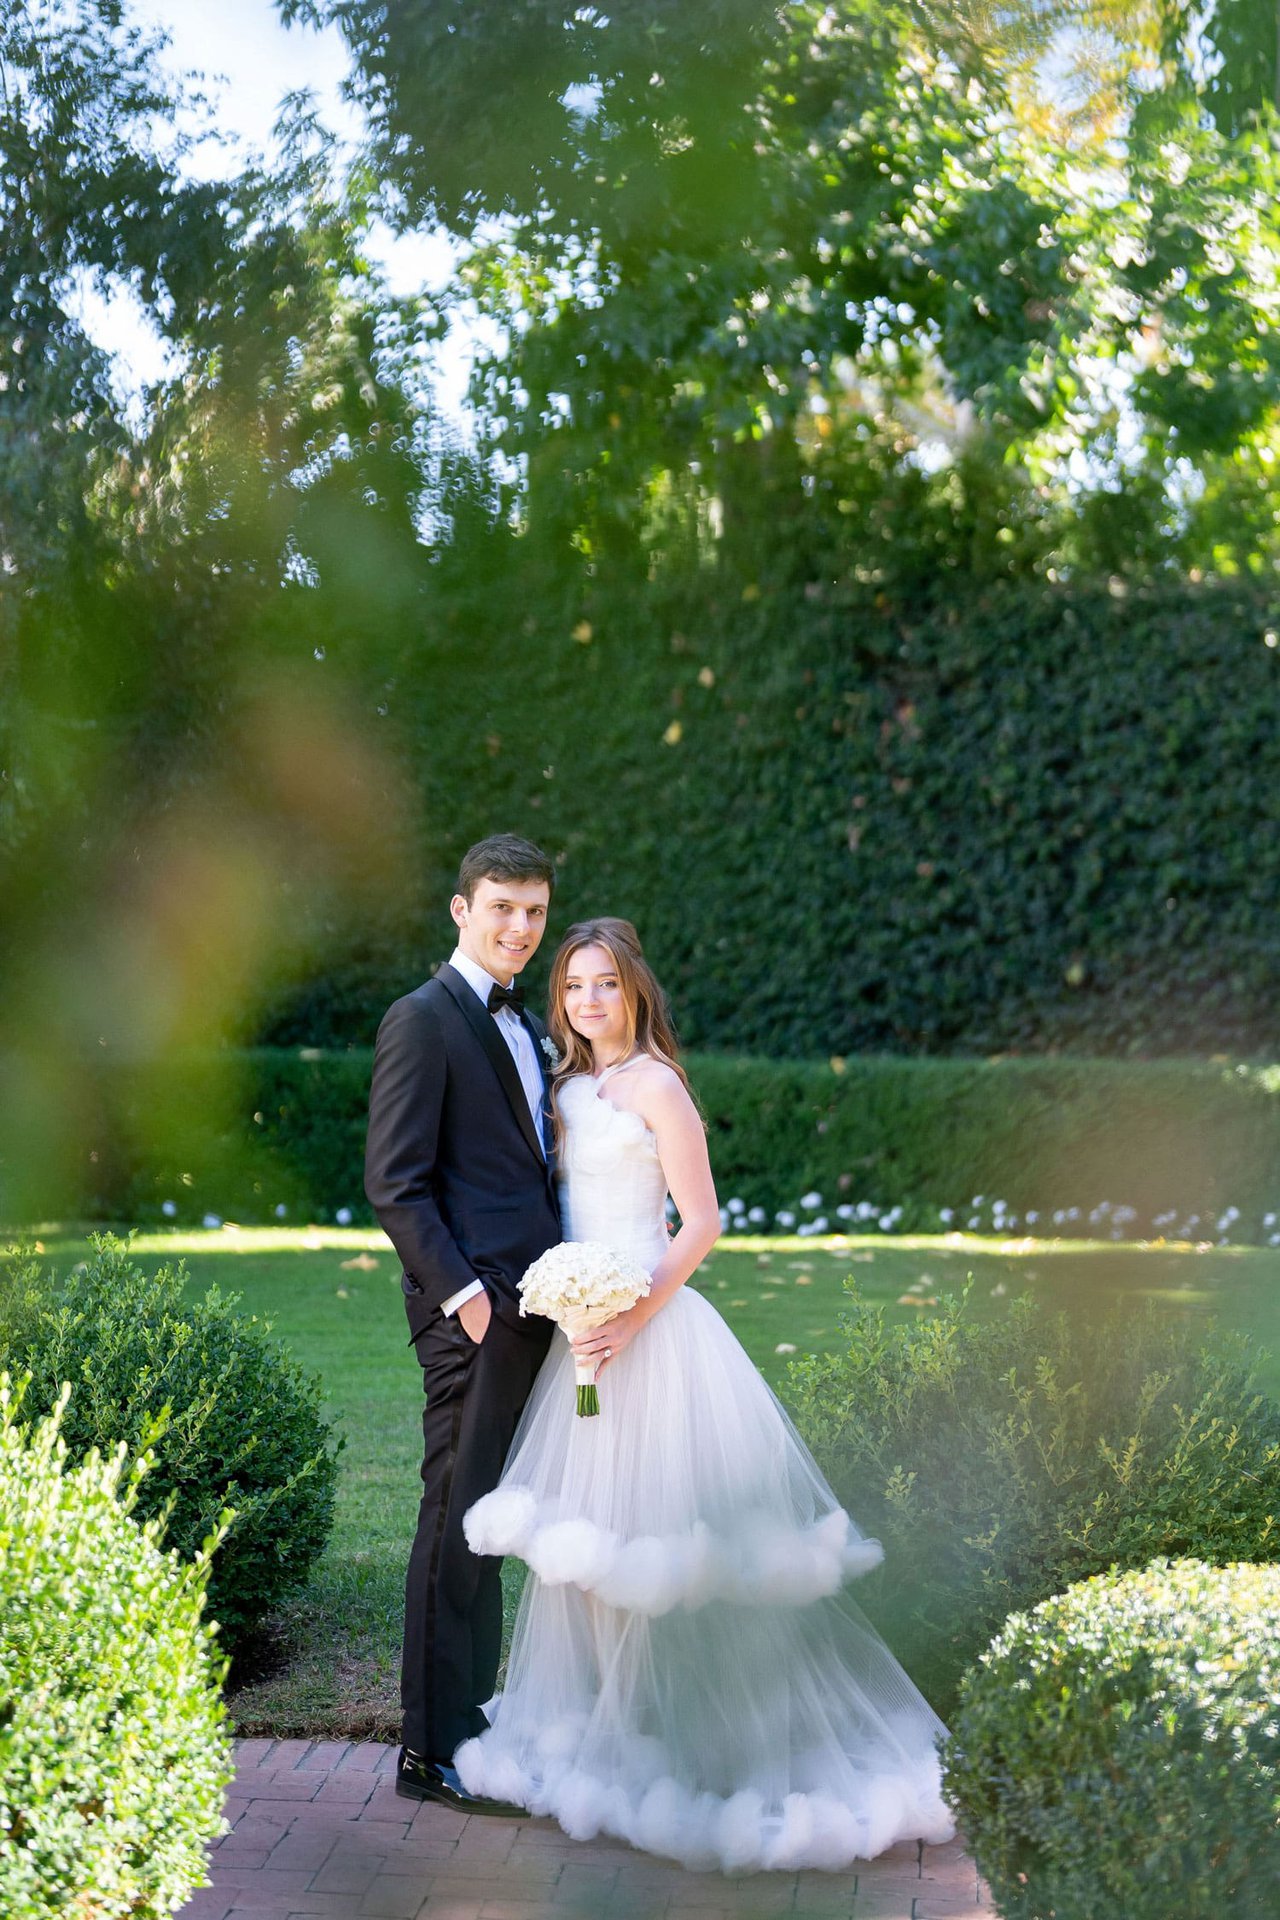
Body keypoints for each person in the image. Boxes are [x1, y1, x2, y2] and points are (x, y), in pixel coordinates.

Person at [457, 917, 955, 1871]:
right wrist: (573, 1310)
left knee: (667, 1547)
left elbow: (703, 1221)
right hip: (584, 1341)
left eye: (604, 984)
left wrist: (630, 1316)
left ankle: (699, 1737)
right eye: (572, 988)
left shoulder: (656, 1085)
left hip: (652, 1332)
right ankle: (613, 1738)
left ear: (635, 991)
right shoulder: (565, 1086)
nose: (587, 1002)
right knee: (589, 1549)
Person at [364, 834, 562, 1814]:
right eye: (501, 909)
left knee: (493, 1524)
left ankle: (480, 1729)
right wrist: (466, 1301)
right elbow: (394, 1185)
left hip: (542, 1310)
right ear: (460, 910)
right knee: (454, 1521)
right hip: (474, 1317)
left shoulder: (532, 1027)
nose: (518, 928)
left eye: (532, 911)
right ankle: (429, 1750)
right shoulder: (422, 1020)